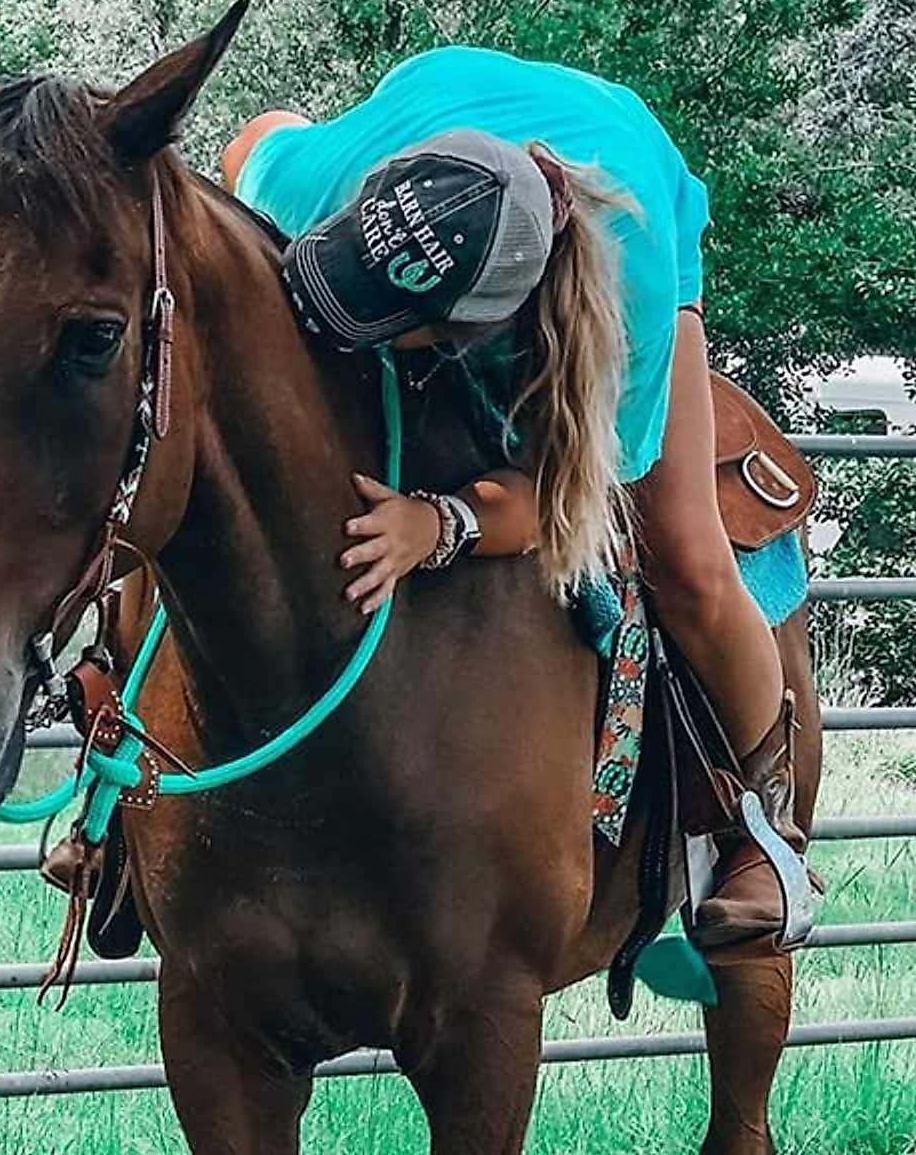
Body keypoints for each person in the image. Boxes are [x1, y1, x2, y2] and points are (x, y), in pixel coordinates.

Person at [222, 46, 814, 949]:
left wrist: (442, 522)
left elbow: (572, 502)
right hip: (439, 111)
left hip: (632, 180)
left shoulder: (631, 295)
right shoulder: (324, 183)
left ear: (477, 329)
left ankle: (763, 829)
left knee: (686, 555)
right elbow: (252, 147)